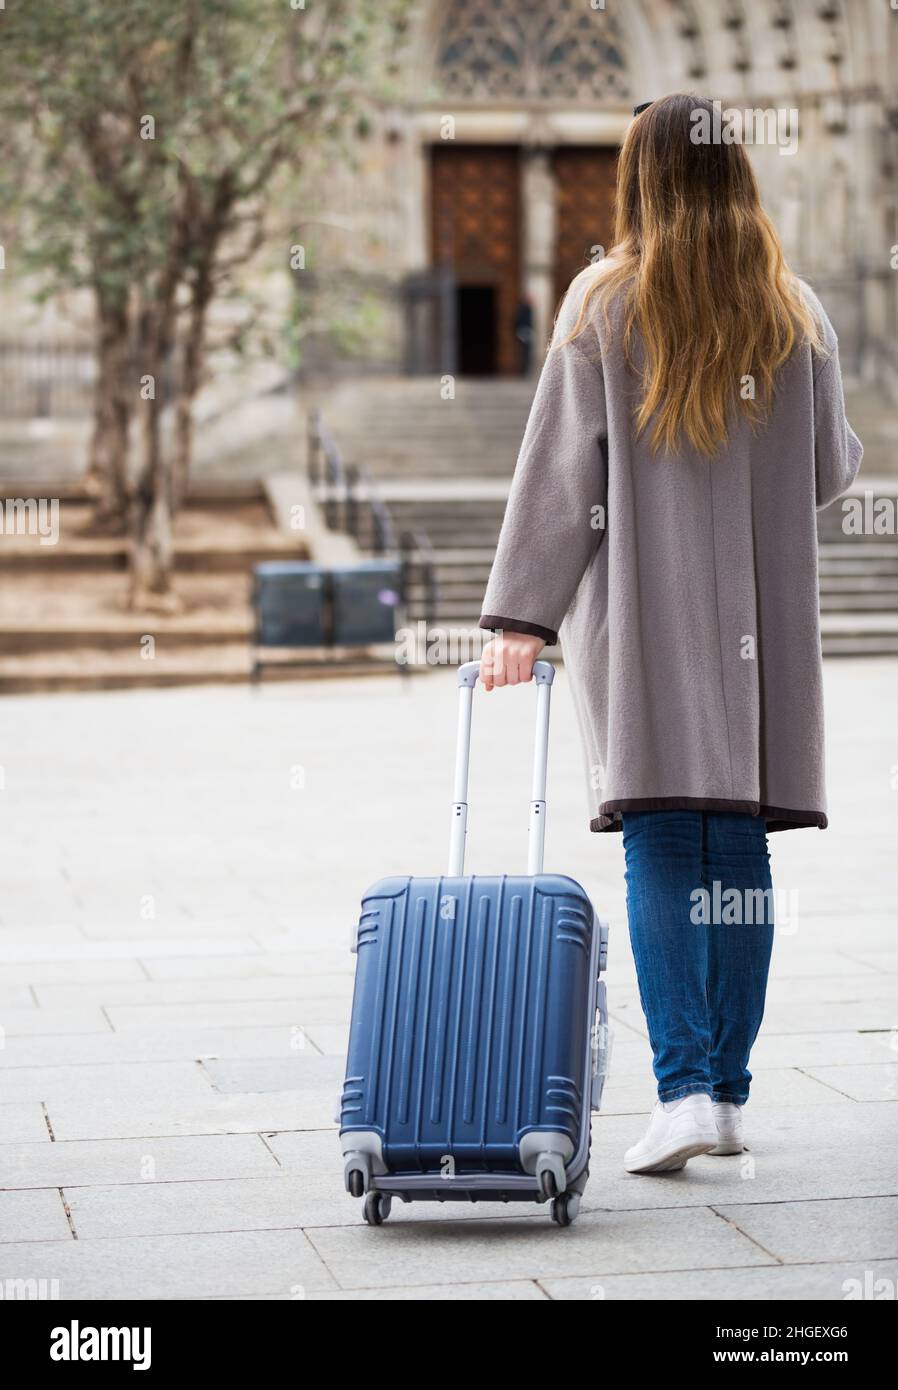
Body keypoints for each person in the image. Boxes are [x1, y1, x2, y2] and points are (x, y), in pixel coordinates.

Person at [478, 93, 863, 1175]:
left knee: (658, 837)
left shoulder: (604, 304)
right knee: (734, 848)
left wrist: (519, 617)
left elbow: (563, 475)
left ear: (638, 177)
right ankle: (726, 1095)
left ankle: (686, 1088)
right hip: (758, 626)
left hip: (643, 623)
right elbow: (831, 472)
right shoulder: (795, 310)